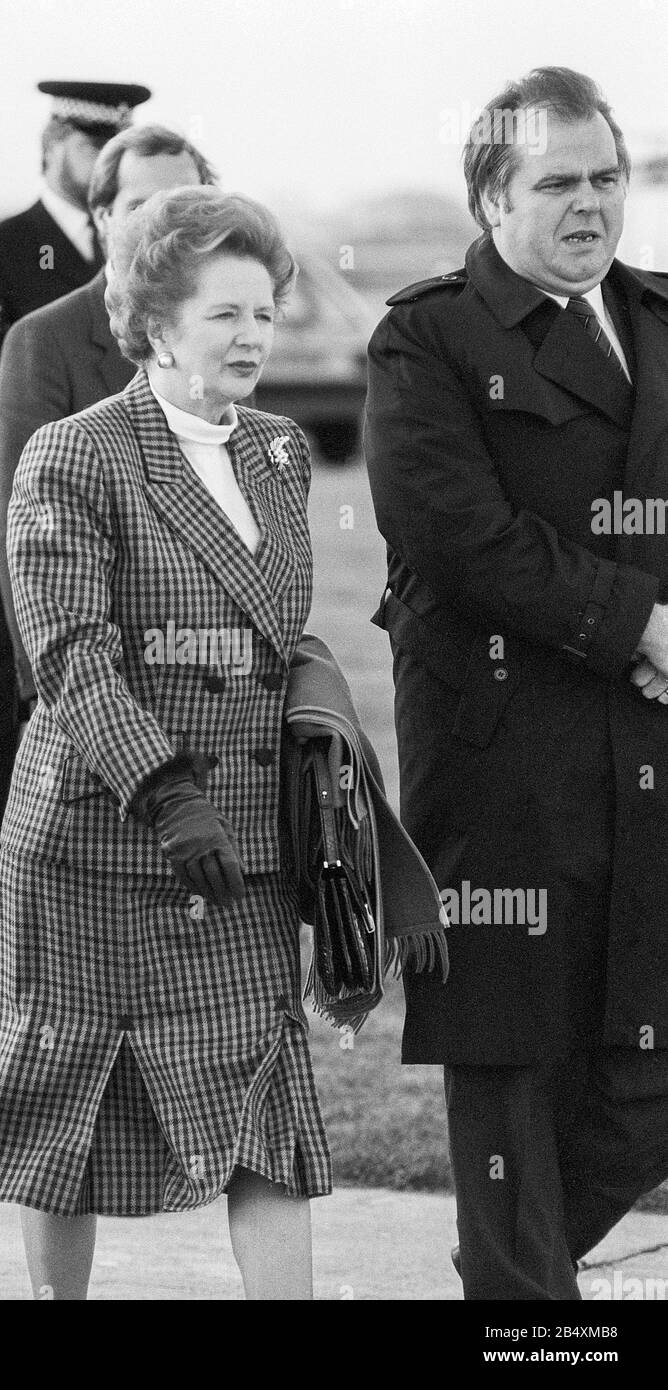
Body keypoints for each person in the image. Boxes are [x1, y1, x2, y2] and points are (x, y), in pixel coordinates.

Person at [0, 187, 331, 1300]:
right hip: (94, 853)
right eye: (225, 316)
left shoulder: (284, 453)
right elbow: (66, 657)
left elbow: (279, 636)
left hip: (247, 850)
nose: (253, 336)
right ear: (154, 325)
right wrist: (163, 790)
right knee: (70, 1117)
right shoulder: (73, 455)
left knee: (268, 1111)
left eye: (264, 312)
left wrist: (333, 749)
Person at [364, 66, 668, 1300]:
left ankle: (509, 1268)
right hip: (501, 749)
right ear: (493, 195)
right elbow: (455, 533)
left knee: (646, 1065)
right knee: (512, 1066)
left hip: (644, 745)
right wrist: (638, 623)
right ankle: (524, 1301)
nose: (591, 203)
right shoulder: (425, 335)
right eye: (558, 182)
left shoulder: (658, 317)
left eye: (610, 176)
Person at [0, 79, 152, 937]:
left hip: (106, 508)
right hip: (2, 505)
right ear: (54, 146)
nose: (104, 163)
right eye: (92, 145)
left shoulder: (136, 247)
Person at [0, 123, 217, 702]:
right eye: (139, 204)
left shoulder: (224, 341)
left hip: (219, 685)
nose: (164, 222)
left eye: (184, 204)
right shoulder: (44, 340)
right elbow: (27, 550)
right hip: (96, 685)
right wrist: (57, 697)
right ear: (102, 217)